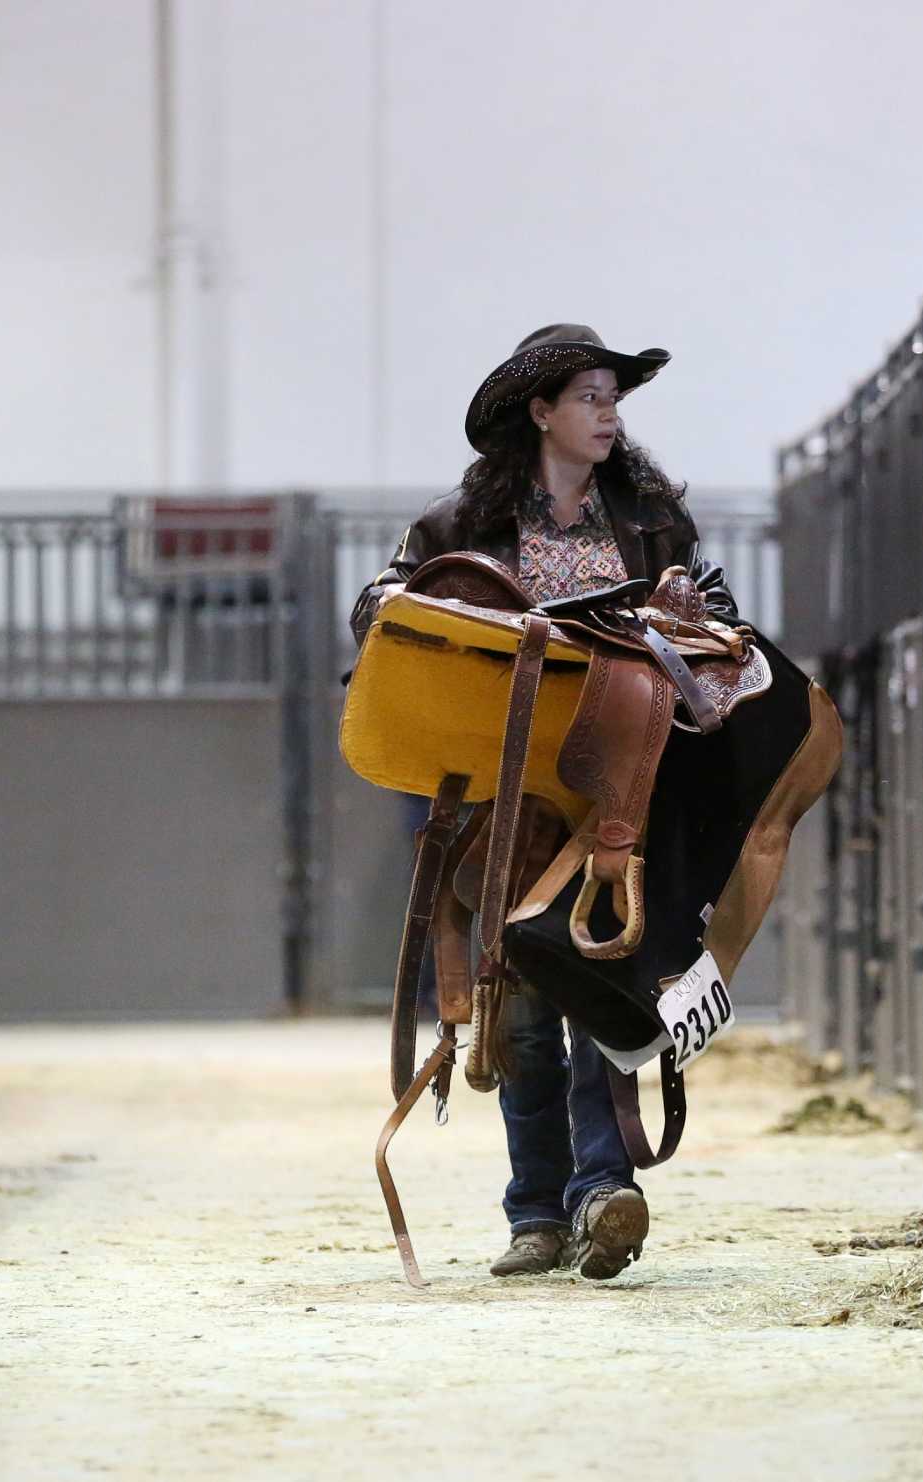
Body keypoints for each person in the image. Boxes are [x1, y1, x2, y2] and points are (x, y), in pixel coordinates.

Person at [349, 324, 737, 1281]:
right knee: (518, 993)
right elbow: (382, 609)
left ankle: (599, 1190)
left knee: (597, 973)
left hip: (615, 786)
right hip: (503, 787)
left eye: (614, 397)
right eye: (590, 397)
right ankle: (538, 1211)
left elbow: (714, 614)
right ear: (542, 413)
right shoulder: (460, 525)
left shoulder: (649, 516)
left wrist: (690, 625)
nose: (609, 414)